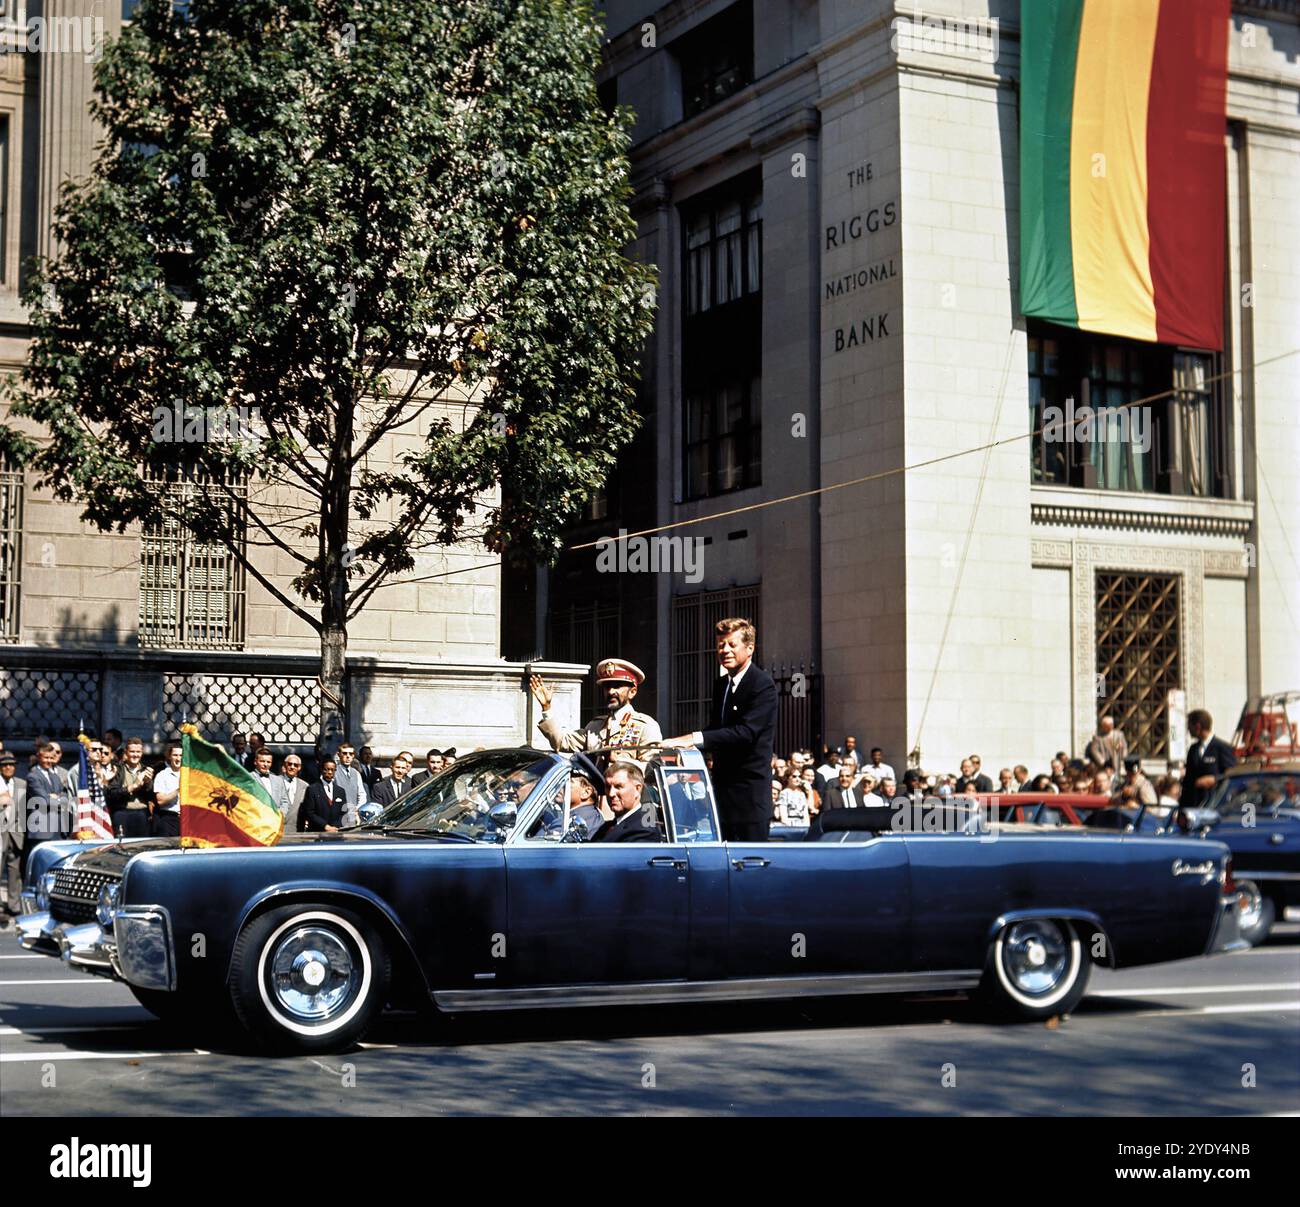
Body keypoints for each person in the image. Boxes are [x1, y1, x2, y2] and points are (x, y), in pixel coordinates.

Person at [663, 617, 777, 842]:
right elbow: (716, 730)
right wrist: (683, 751)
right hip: (722, 799)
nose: (725, 650)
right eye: (720, 645)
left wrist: (691, 739)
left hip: (749, 802)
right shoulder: (721, 685)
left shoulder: (762, 685)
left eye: (732, 644)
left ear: (750, 648)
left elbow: (745, 733)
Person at [532, 658, 662, 763]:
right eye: (607, 687)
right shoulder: (595, 726)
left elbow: (651, 768)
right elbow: (561, 742)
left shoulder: (646, 726)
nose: (611, 692)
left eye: (617, 686)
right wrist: (546, 707)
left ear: (632, 692)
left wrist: (618, 761)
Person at [589, 762, 661, 843]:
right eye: (608, 787)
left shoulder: (644, 831)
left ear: (637, 789)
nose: (611, 793)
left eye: (618, 787)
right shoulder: (608, 826)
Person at [1183, 709, 1237, 810]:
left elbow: (1233, 774)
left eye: (1189, 726)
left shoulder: (1222, 747)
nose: (1188, 729)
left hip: (1215, 804)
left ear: (1198, 726)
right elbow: (1188, 780)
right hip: (1195, 805)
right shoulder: (1193, 749)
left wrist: (1215, 779)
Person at [0, 752, 25, 920]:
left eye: (11, 764)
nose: (8, 767)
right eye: (4, 764)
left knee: (14, 871)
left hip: (16, 833)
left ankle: (13, 906)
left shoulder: (22, 784)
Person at [301, 759, 347, 832]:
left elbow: (344, 812)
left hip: (336, 832)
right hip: (317, 831)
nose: (329, 772)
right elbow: (309, 812)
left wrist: (335, 826)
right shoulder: (312, 789)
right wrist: (325, 826)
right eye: (327, 769)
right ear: (321, 770)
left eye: (332, 770)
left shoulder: (340, 791)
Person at [331, 742, 369, 826]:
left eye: (351, 754)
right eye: (344, 753)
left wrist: (357, 809)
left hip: (353, 816)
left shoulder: (356, 773)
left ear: (353, 755)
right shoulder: (333, 772)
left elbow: (362, 794)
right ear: (338, 754)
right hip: (337, 816)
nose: (348, 756)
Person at [151, 744, 183, 837]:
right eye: (175, 755)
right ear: (169, 756)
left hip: (187, 819)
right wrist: (178, 789)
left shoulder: (191, 775)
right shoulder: (162, 775)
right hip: (169, 819)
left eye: (181, 755)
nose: (178, 758)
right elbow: (160, 800)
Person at [277, 754, 309, 834]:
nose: (292, 767)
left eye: (295, 765)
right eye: (289, 764)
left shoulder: (305, 786)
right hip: (277, 829)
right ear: (285, 765)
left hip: (297, 830)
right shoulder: (275, 782)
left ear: (299, 767)